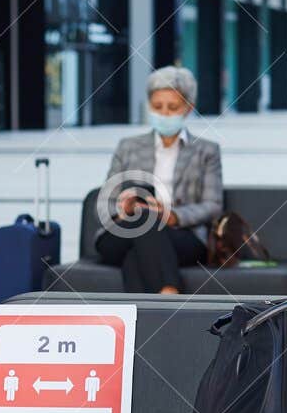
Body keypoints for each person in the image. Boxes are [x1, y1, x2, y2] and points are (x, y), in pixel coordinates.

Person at [94, 66, 224, 293]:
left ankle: (152, 312)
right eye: (157, 107)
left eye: (172, 107)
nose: (164, 113)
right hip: (121, 233)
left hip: (181, 235)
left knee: (138, 253)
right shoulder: (128, 147)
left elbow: (212, 206)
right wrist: (123, 208)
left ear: (188, 109)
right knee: (144, 217)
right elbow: (106, 200)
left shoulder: (206, 151)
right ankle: (170, 295)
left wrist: (172, 216)